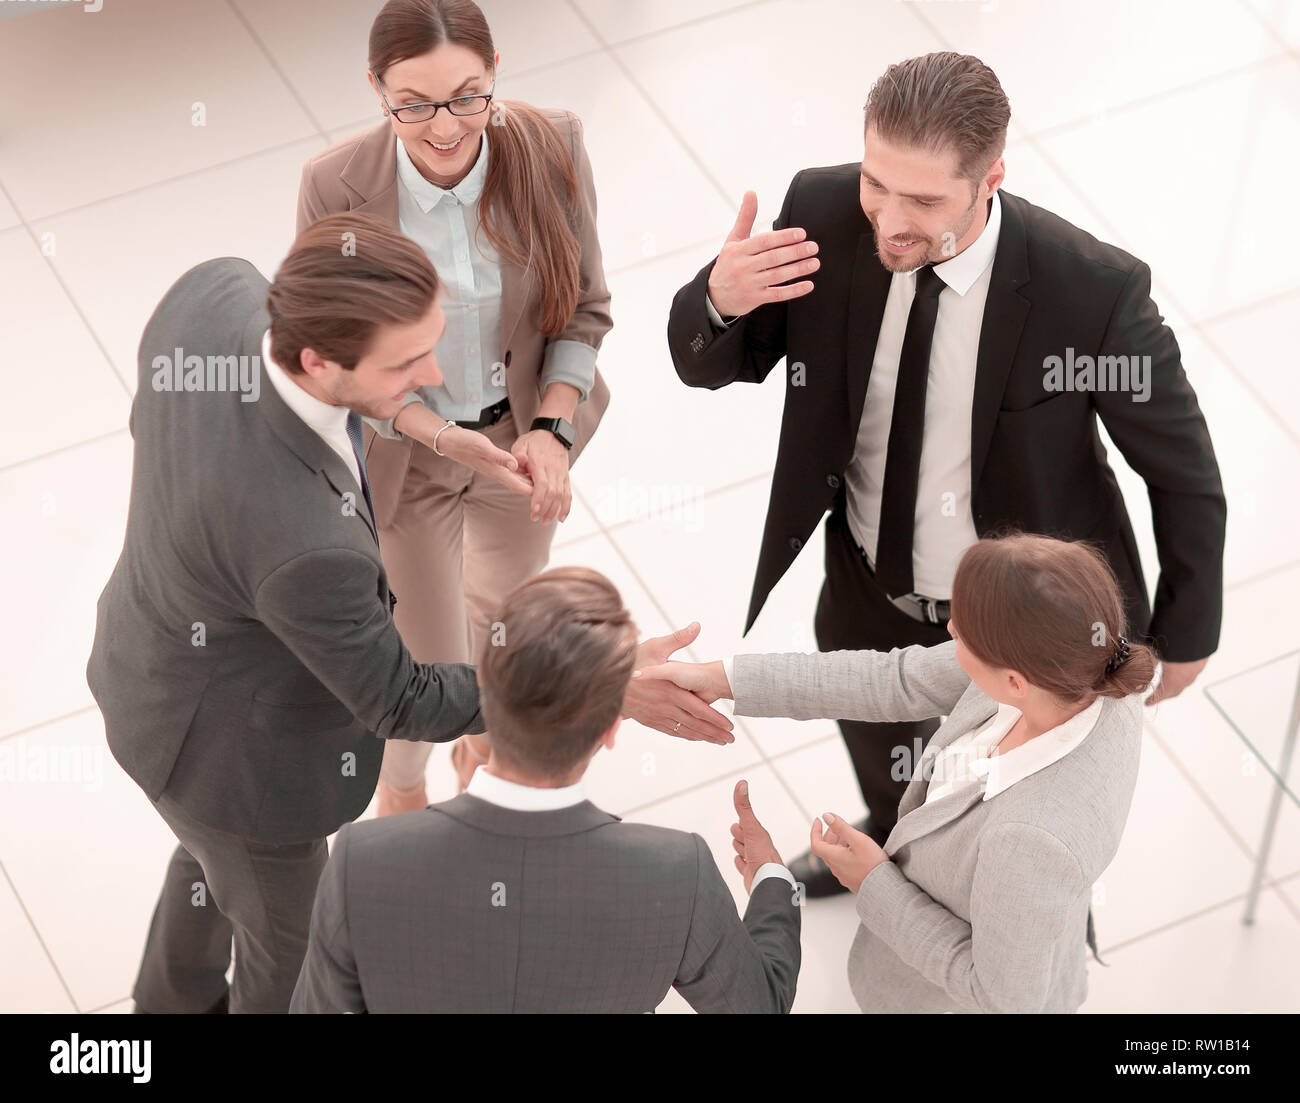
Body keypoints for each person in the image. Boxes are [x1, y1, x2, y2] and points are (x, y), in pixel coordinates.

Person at [88, 212, 729, 1015]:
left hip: (148, 666)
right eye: (406, 364)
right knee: (282, 951)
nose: (433, 377)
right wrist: (599, 686)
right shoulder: (303, 543)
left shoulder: (215, 294)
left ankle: (166, 1004)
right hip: (233, 762)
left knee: (209, 864)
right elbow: (401, 697)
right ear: (318, 359)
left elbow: (169, 421)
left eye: (431, 339)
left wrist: (424, 431)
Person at [665, 51, 1225, 896]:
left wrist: (1188, 631)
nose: (888, 220)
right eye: (877, 184)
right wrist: (718, 299)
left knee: (1015, 820)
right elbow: (711, 364)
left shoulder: (1092, 291)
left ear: (990, 177)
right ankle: (893, 841)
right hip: (867, 582)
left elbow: (1182, 470)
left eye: (923, 201)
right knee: (883, 751)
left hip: (1031, 620)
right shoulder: (821, 209)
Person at [298, 0, 724, 813]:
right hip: (412, 452)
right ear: (377, 89)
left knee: (499, 625)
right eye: (415, 103)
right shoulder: (334, 189)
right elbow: (342, 368)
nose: (447, 126)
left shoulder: (552, 145)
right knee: (419, 655)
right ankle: (403, 791)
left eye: (467, 95)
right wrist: (435, 434)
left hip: (522, 447)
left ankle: (485, 749)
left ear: (496, 72)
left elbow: (583, 310)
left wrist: (553, 430)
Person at [636, 533, 1155, 1012]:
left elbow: (1003, 999)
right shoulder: (1083, 667)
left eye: (964, 631)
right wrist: (725, 679)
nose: (951, 629)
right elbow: (893, 680)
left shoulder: (1032, 839)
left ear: (1015, 682)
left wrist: (874, 882)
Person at [290, 567, 800, 1014]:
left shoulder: (361, 862)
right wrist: (773, 880)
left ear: (485, 691)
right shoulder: (680, 875)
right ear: (612, 729)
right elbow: (760, 1004)